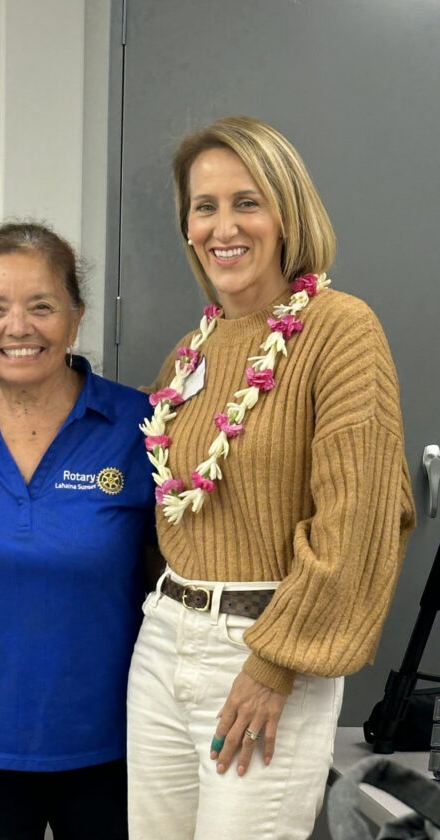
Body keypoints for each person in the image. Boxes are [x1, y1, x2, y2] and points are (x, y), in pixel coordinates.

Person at [126, 116, 416, 840]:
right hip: (163, 642)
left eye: (245, 201)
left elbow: (358, 522)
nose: (223, 225)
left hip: (263, 650)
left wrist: (274, 667)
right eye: (204, 206)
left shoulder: (340, 330)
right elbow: (171, 511)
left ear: (286, 213)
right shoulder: (185, 358)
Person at [0, 222, 154, 840]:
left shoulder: (141, 423)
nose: (18, 328)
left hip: (115, 739)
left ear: (75, 319)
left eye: (41, 307)